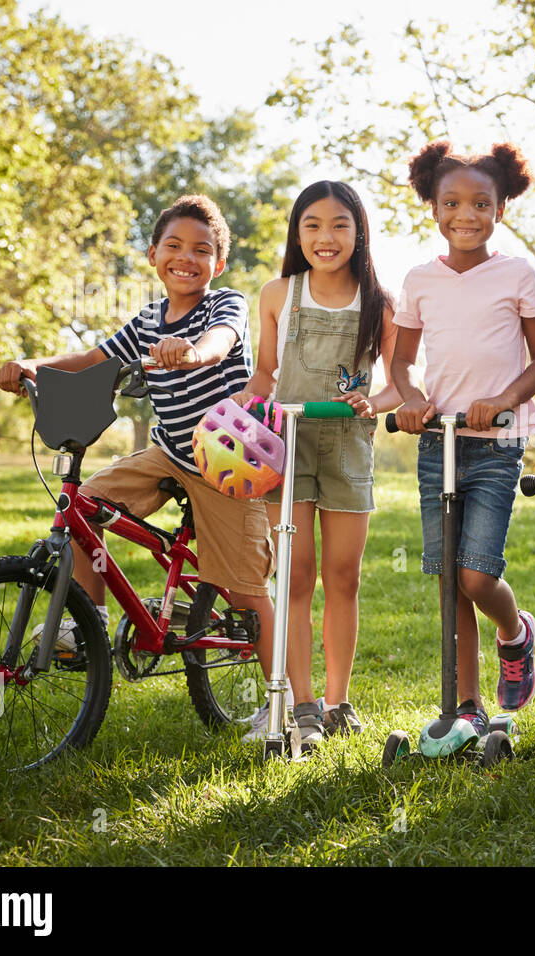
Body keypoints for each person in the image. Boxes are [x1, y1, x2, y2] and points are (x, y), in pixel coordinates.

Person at [0, 194, 276, 699]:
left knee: (245, 588)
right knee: (80, 509)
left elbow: (223, 340)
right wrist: (34, 363)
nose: (186, 258)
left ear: (220, 262)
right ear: (153, 255)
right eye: (174, 245)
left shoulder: (224, 304)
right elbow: (91, 357)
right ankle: (92, 622)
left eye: (201, 250)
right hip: (168, 451)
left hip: (226, 461)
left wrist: (191, 354)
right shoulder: (148, 322)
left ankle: (281, 699)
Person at [390, 140, 535, 733]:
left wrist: (505, 401)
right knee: (448, 578)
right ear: (433, 208)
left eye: (481, 204)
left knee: (476, 574)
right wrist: (410, 401)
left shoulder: (516, 274)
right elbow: (403, 363)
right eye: (452, 203)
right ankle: (467, 704)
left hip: (497, 443)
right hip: (439, 441)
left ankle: (515, 633)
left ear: (500, 210)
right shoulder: (418, 280)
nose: (466, 214)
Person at [234, 181, 399, 751]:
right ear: (296, 232)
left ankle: (338, 702)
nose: (325, 237)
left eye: (339, 225)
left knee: (344, 578)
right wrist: (241, 408)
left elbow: (398, 387)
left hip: (349, 446)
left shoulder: (381, 302)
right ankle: (301, 704)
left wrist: (370, 403)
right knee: (296, 574)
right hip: (289, 442)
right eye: (312, 225)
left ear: (359, 232)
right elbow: (264, 374)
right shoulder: (280, 293)